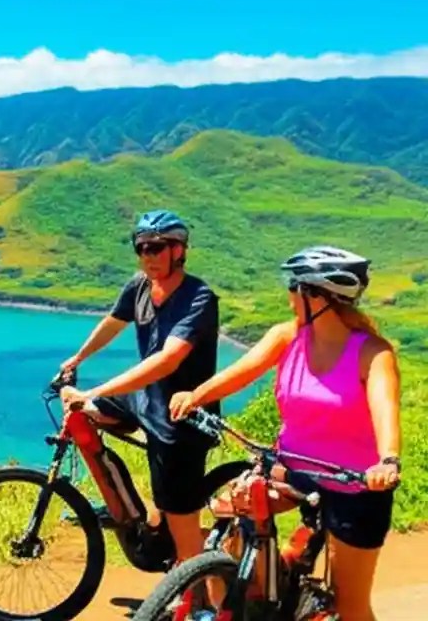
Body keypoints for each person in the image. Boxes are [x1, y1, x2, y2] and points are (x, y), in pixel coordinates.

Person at [170, 245, 401, 621]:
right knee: (235, 504)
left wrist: (387, 461)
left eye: (293, 285)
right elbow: (241, 372)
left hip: (355, 484)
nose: (288, 293)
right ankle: (266, 592)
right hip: (292, 466)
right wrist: (194, 396)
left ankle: (291, 580)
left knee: (350, 606)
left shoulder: (373, 354)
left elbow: (385, 410)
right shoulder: (287, 336)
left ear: (317, 295)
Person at [58, 209, 222, 568]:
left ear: (179, 250)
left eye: (157, 247)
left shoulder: (199, 298)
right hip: (144, 398)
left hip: (181, 418)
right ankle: (126, 505)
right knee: (82, 413)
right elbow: (113, 322)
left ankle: (197, 597)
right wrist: (77, 359)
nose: (148, 255)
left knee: (185, 544)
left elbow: (167, 361)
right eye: (142, 248)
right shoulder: (139, 286)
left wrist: (93, 389)